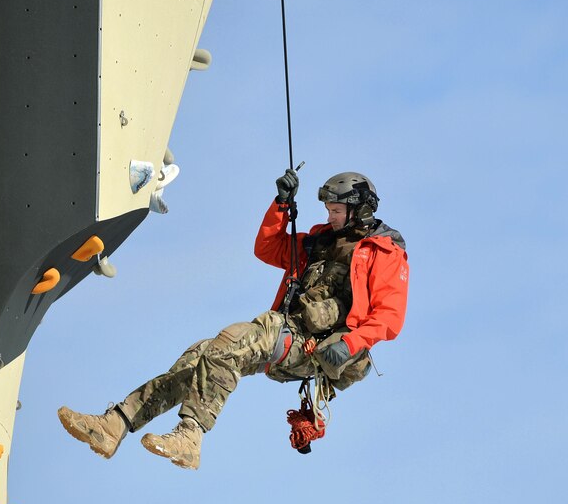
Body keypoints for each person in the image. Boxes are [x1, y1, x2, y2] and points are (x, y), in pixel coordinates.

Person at [57, 170, 409, 469]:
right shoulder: (320, 241)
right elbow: (268, 248)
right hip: (288, 332)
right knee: (199, 357)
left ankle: (190, 436)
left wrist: (350, 343)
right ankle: (115, 424)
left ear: (358, 210)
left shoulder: (384, 251)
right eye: (328, 209)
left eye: (335, 210)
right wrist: (281, 206)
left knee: (229, 343)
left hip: (318, 347)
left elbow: (389, 316)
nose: (330, 216)